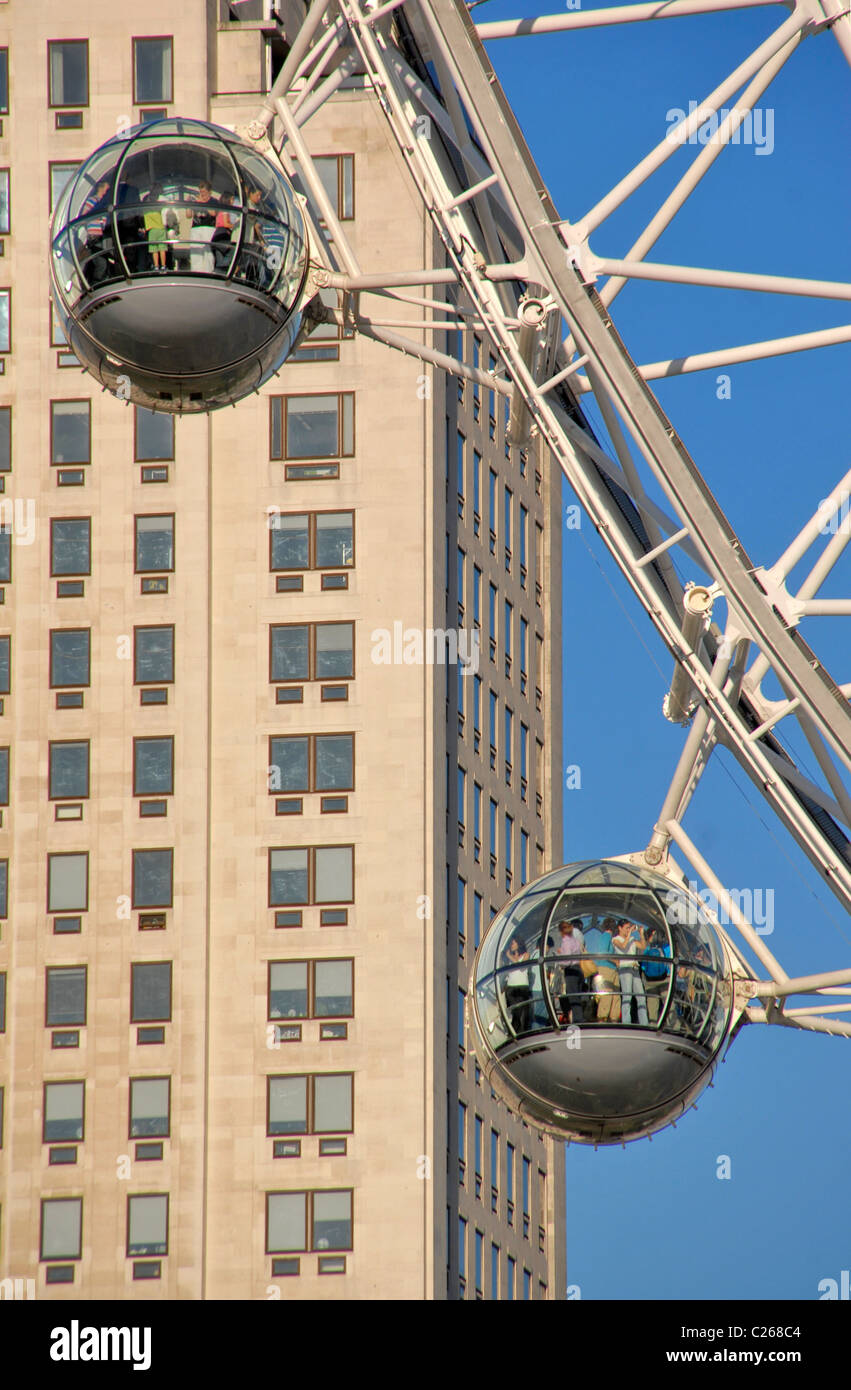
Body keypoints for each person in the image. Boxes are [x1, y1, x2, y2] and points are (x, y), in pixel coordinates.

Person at [583, 915, 621, 1021]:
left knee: (615, 996)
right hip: (606, 968)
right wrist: (615, 961)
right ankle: (603, 1018)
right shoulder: (606, 936)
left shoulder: (608, 937)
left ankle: (613, 1018)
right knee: (607, 995)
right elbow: (603, 951)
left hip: (611, 968)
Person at [612, 920, 649, 1025]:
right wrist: (629, 935)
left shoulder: (632, 939)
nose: (628, 930)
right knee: (627, 996)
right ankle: (626, 1022)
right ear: (620, 928)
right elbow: (623, 946)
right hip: (625, 969)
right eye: (627, 928)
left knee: (641, 996)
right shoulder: (615, 939)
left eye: (630, 928)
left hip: (635, 969)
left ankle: (644, 1022)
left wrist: (641, 933)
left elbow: (643, 946)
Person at [552, 918, 585, 1024]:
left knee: (573, 998)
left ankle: (577, 1021)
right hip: (578, 970)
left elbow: (567, 961)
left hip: (570, 972)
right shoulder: (575, 941)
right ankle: (579, 1018)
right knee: (577, 997)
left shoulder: (566, 942)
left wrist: (559, 959)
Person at [640, 927, 672, 1022]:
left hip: (650, 981)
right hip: (664, 979)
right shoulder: (666, 948)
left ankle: (653, 1025)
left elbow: (643, 966)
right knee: (669, 1004)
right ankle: (674, 1026)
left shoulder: (646, 949)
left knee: (652, 1006)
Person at [502, 936, 532, 1035]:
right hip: (511, 987)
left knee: (521, 1011)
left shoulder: (526, 955)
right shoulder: (509, 959)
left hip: (522, 986)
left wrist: (509, 956)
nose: (512, 945)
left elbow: (522, 966)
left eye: (513, 943)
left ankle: (518, 1032)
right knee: (515, 1011)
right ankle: (514, 1032)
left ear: (519, 944)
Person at [143, 183, 167, 271]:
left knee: (154, 249)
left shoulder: (147, 207)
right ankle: (163, 265)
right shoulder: (159, 206)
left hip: (151, 229)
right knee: (162, 248)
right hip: (161, 228)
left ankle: (156, 266)